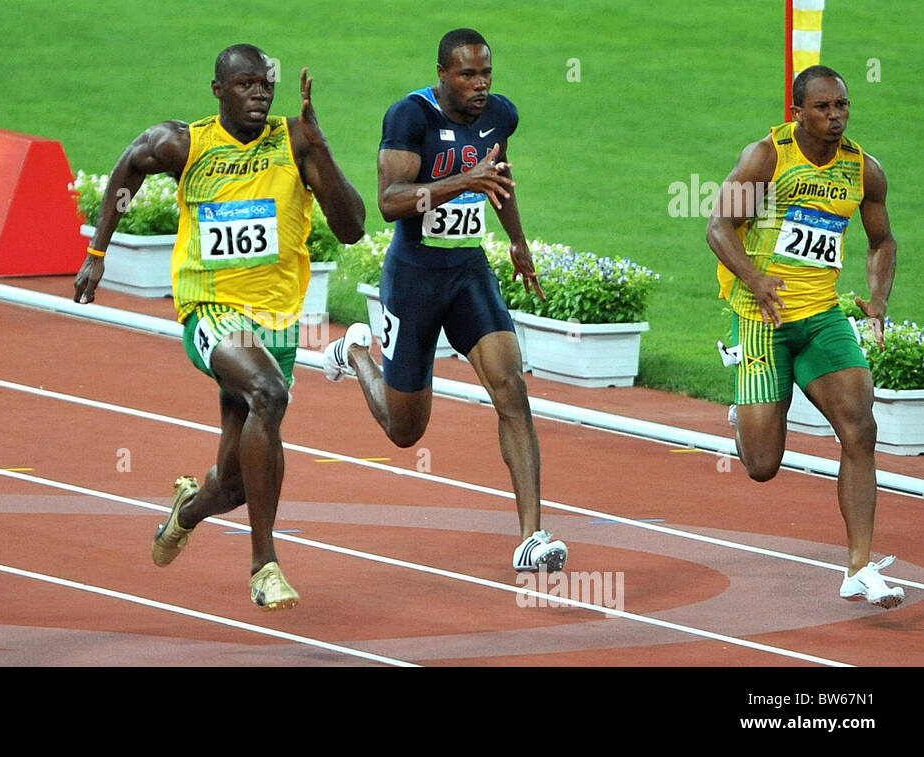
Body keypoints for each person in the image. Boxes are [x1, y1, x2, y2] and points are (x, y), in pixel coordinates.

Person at [74, 44, 365, 610]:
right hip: (209, 307)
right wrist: (97, 251)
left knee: (234, 483)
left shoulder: (296, 141)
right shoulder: (185, 143)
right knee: (268, 393)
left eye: (266, 86)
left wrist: (322, 148)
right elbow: (130, 164)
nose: (259, 95)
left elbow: (351, 228)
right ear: (218, 91)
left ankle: (187, 510)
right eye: (245, 85)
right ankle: (265, 565)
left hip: (277, 319)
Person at [323, 28, 568, 573]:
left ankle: (532, 535)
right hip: (413, 278)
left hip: (467, 272)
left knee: (512, 388)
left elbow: (499, 178)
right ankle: (358, 353)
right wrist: (464, 179)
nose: (480, 85)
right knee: (406, 432)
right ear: (442, 75)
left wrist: (520, 244)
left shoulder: (501, 116)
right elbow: (389, 203)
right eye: (467, 75)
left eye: (486, 74)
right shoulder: (409, 118)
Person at [706, 66, 902, 608]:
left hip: (822, 317)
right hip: (760, 316)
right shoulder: (767, 156)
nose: (835, 116)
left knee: (861, 429)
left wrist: (879, 298)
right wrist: (755, 278)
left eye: (842, 105)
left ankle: (859, 567)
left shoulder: (864, 170)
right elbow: (718, 226)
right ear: (798, 112)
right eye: (823, 107)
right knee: (763, 466)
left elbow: (882, 240)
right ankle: (745, 419)